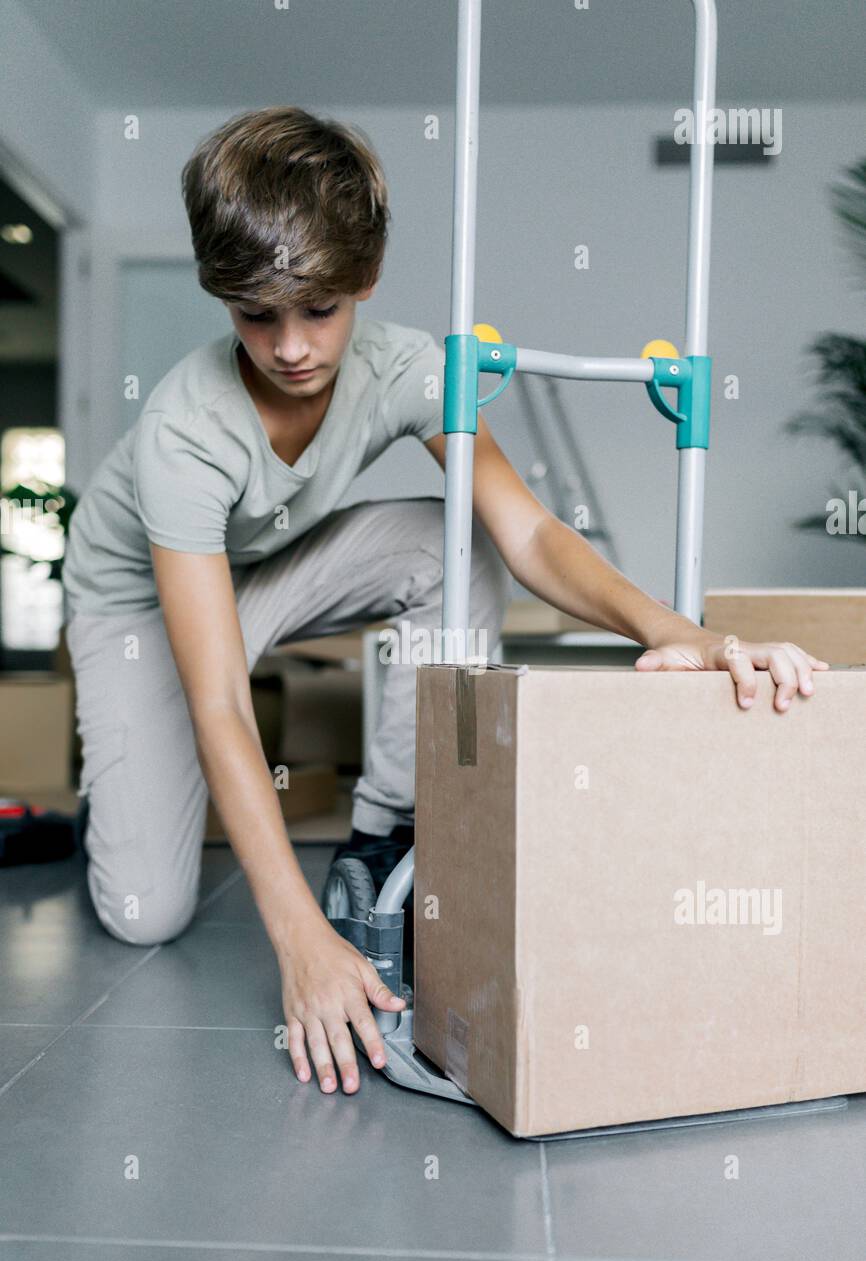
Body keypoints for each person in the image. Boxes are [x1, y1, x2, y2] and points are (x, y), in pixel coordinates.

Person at [62, 105, 828, 1100]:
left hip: (265, 565)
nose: (291, 346)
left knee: (451, 535)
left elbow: (528, 535)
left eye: (320, 310)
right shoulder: (184, 433)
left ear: (365, 282)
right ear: (222, 298)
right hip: (137, 614)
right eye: (257, 316)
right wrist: (299, 943)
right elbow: (219, 701)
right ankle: (115, 775)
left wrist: (681, 632)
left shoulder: (407, 369)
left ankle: (383, 832)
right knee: (143, 910)